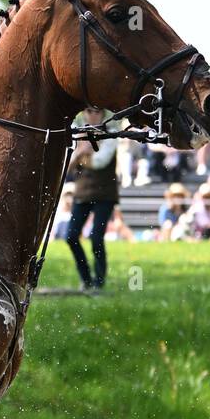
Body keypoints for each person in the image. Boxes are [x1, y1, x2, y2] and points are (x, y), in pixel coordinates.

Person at [65, 108, 119, 291]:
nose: (92, 115)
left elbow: (99, 162)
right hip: (82, 193)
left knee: (96, 237)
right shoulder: (79, 135)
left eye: (96, 112)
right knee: (71, 236)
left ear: (103, 114)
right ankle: (86, 278)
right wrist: (81, 151)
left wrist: (81, 153)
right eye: (89, 111)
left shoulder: (111, 135)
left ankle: (99, 281)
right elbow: (68, 167)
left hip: (105, 195)